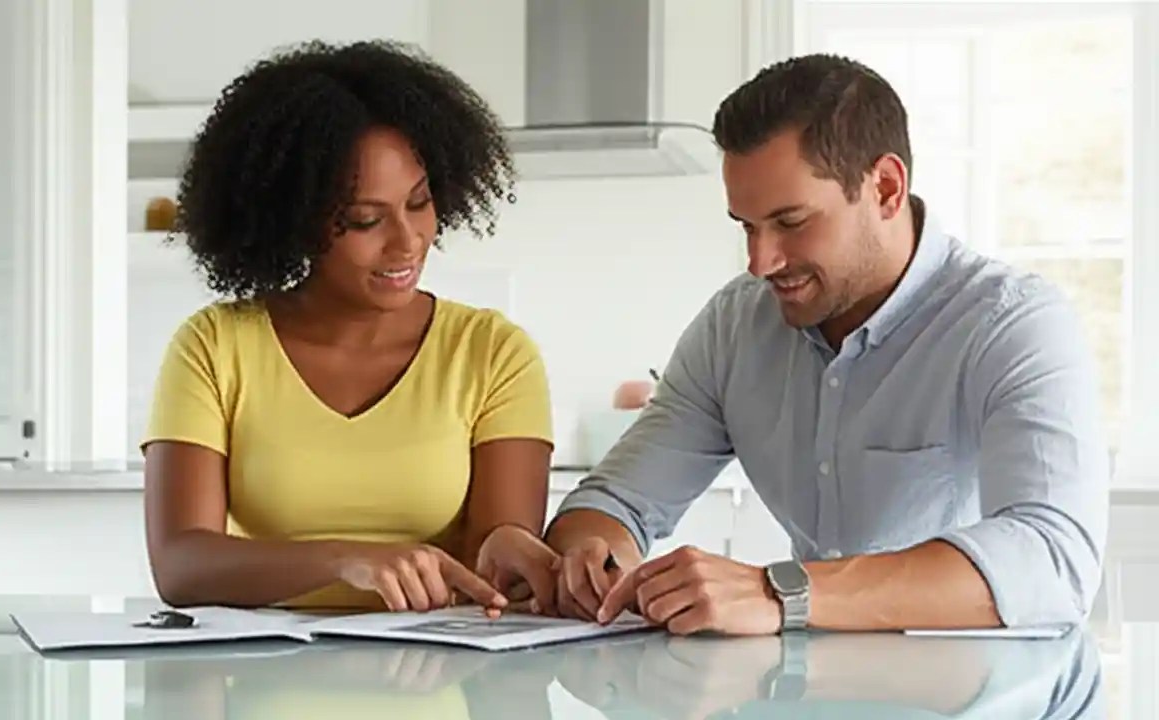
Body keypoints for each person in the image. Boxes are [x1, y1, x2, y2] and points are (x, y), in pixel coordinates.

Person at [543, 53, 1109, 634]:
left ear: (886, 188)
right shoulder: (734, 328)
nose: (760, 262)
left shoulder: (1013, 324)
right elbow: (613, 502)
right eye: (746, 226)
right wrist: (594, 558)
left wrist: (780, 591)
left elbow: (1053, 559)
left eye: (791, 222)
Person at [141, 40, 560, 613]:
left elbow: (495, 557)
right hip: (260, 686)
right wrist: (345, 560)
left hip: (437, 683)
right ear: (291, 218)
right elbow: (180, 566)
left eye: (419, 202)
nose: (408, 240)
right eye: (366, 219)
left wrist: (516, 550)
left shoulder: (492, 353)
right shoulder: (215, 346)